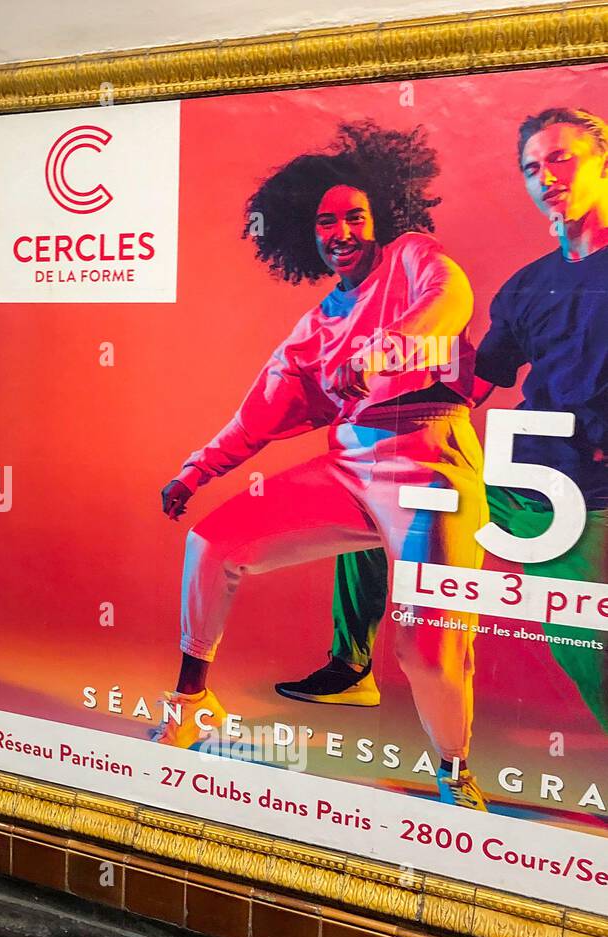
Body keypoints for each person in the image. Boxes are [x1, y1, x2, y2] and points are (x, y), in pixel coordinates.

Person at [156, 121, 490, 810]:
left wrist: (386, 350)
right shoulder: (313, 328)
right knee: (214, 542)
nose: (341, 232)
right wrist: (194, 473)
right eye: (326, 222)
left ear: (380, 216)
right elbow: (257, 416)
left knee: (426, 646)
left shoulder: (413, 259)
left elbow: (449, 301)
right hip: (351, 468)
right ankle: (191, 702)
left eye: (354, 217)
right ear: (304, 235)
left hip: (432, 465)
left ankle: (455, 772)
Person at [278, 108, 608, 735]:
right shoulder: (526, 287)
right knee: (386, 498)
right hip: (522, 485)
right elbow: (473, 382)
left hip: (592, 501)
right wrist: (384, 372)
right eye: (532, 168)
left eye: (561, 158)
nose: (546, 177)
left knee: (579, 632)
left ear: (603, 162)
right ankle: (351, 668)